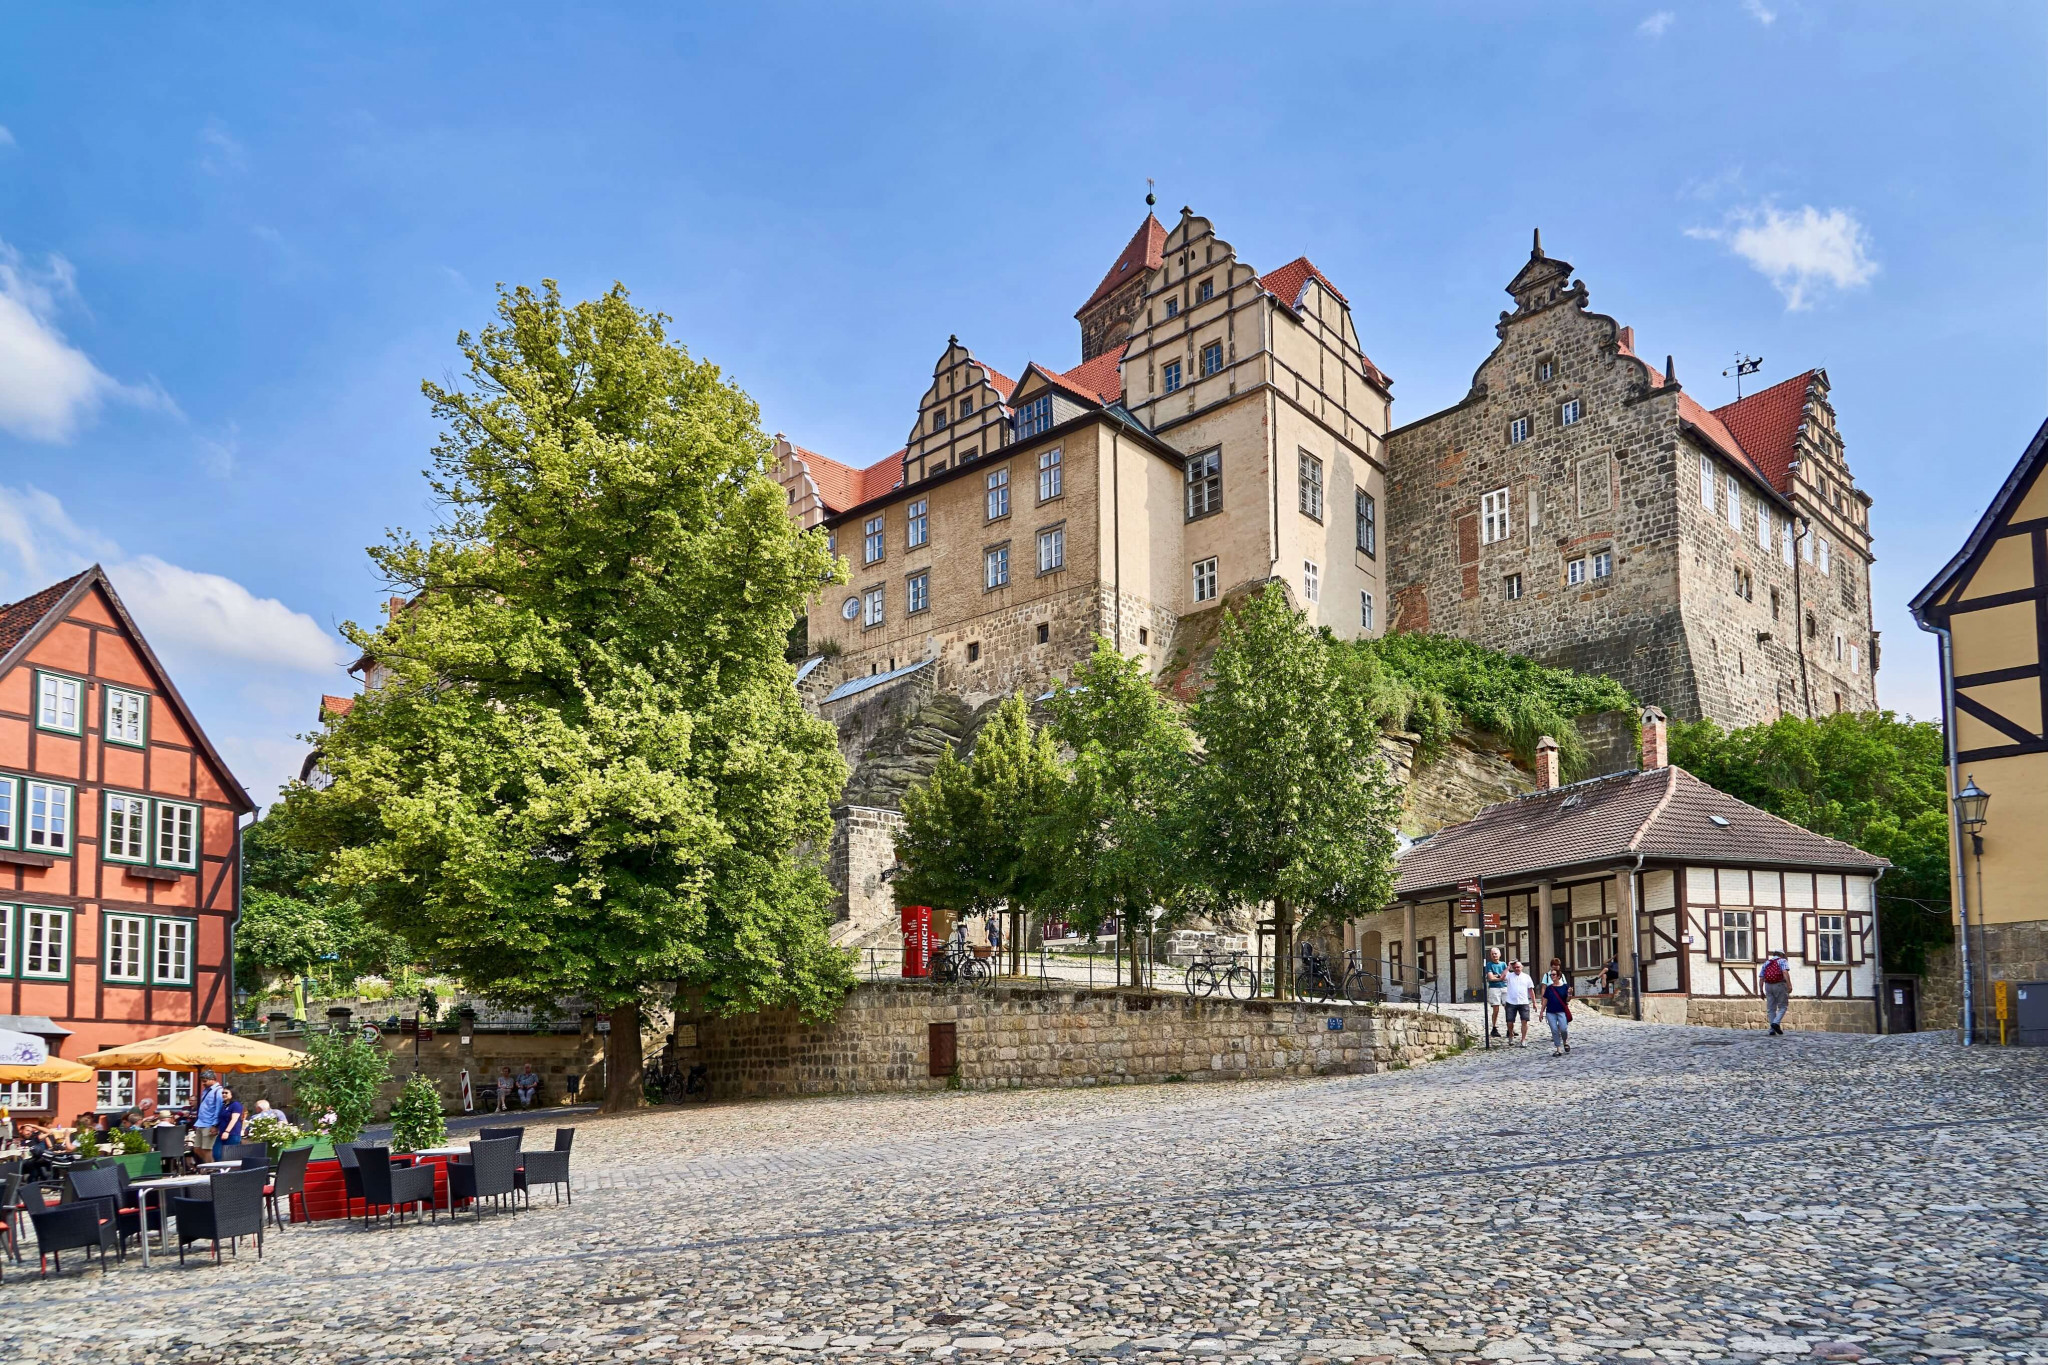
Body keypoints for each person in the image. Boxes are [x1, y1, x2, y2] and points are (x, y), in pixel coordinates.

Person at [1500, 959, 1536, 1046]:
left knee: (1524, 1021)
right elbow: (1502, 977)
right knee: (1509, 1022)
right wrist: (1508, 967)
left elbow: (1531, 990)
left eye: (1518, 967)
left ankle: (1523, 1039)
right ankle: (1511, 1035)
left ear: (1522, 967)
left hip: (1523, 1002)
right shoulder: (1509, 976)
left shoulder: (1527, 977)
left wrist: (1534, 1002)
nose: (1517, 969)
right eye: (1515, 967)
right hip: (1511, 1002)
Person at [191, 1070, 224, 1162]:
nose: (203, 1083)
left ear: (212, 1079)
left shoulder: (218, 1091)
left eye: (205, 1081)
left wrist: (215, 1125)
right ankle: (210, 1164)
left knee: (207, 1149)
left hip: (209, 1124)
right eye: (202, 1081)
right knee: (197, 1148)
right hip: (201, 1123)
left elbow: (219, 1108)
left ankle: (211, 1168)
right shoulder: (206, 1091)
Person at [1542, 967, 1574, 1057]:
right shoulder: (1549, 988)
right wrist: (1541, 1012)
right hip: (1550, 1011)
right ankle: (1558, 1048)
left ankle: (1565, 1042)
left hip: (1561, 1011)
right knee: (1554, 1030)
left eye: (1554, 974)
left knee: (1563, 1029)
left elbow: (1567, 1000)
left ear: (1559, 976)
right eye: (1551, 975)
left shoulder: (1565, 987)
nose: (1552, 976)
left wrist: (1569, 994)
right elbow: (1545, 1000)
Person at [1761, 948, 1793, 1035]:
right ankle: (1775, 1023)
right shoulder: (1782, 961)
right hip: (1779, 985)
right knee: (1783, 1006)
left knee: (1771, 1008)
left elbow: (1761, 977)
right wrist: (1789, 985)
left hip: (1768, 985)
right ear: (1782, 955)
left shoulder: (1767, 962)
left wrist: (1761, 990)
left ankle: (1772, 1029)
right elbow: (1785, 972)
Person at [1482, 947, 1508, 1038]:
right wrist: (1500, 977)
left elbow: (1506, 976)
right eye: (1492, 954)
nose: (1494, 955)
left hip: (1504, 987)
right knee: (1496, 1009)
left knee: (1508, 1008)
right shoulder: (1489, 965)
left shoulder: (1503, 964)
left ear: (1499, 954)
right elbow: (1490, 978)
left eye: (1495, 953)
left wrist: (1497, 977)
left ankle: (1510, 1028)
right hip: (1494, 988)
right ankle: (1494, 1027)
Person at [216, 1085, 246, 1159]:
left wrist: (227, 1131)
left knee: (229, 1156)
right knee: (216, 1153)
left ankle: (228, 1170)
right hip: (221, 1133)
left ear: (232, 1093)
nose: (223, 1094)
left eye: (226, 1093)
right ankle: (221, 1169)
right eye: (222, 1093)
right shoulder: (224, 1105)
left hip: (232, 1134)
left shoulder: (236, 1105)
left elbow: (234, 1119)